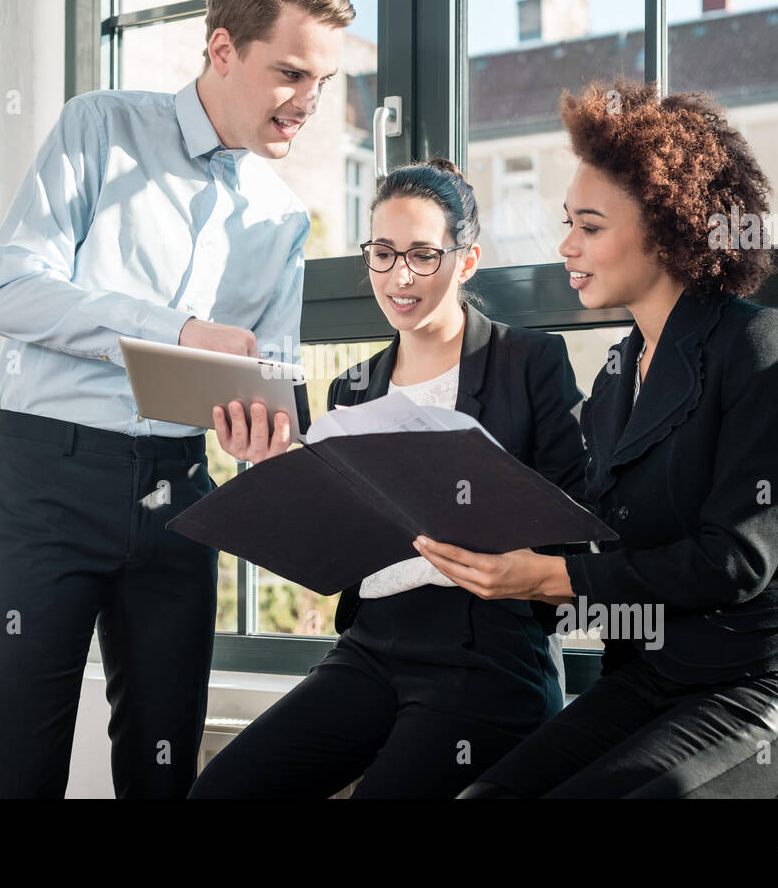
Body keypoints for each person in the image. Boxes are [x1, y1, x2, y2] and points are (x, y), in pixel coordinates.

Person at [0, 0, 353, 798]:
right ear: (222, 50)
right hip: (44, 480)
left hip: (179, 494)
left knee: (164, 771)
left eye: (321, 82)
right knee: (18, 776)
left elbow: (270, 369)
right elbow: (8, 291)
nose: (308, 103)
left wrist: (267, 432)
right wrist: (174, 331)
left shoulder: (284, 216)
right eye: (290, 72)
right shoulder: (97, 126)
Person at [415, 78, 778, 798]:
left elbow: (734, 559)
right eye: (566, 223)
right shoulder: (613, 380)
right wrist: (491, 544)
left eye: (589, 225)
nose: (566, 245)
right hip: (648, 675)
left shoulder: (760, 343)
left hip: (756, 676)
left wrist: (549, 576)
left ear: (669, 226)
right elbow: (606, 551)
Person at [188, 158, 592, 799]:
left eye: (424, 256)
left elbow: (578, 525)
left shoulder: (529, 362)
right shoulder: (353, 386)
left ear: (466, 260)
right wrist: (274, 473)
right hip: (373, 645)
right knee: (222, 790)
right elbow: (337, 540)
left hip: (485, 649)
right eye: (383, 253)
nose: (400, 277)